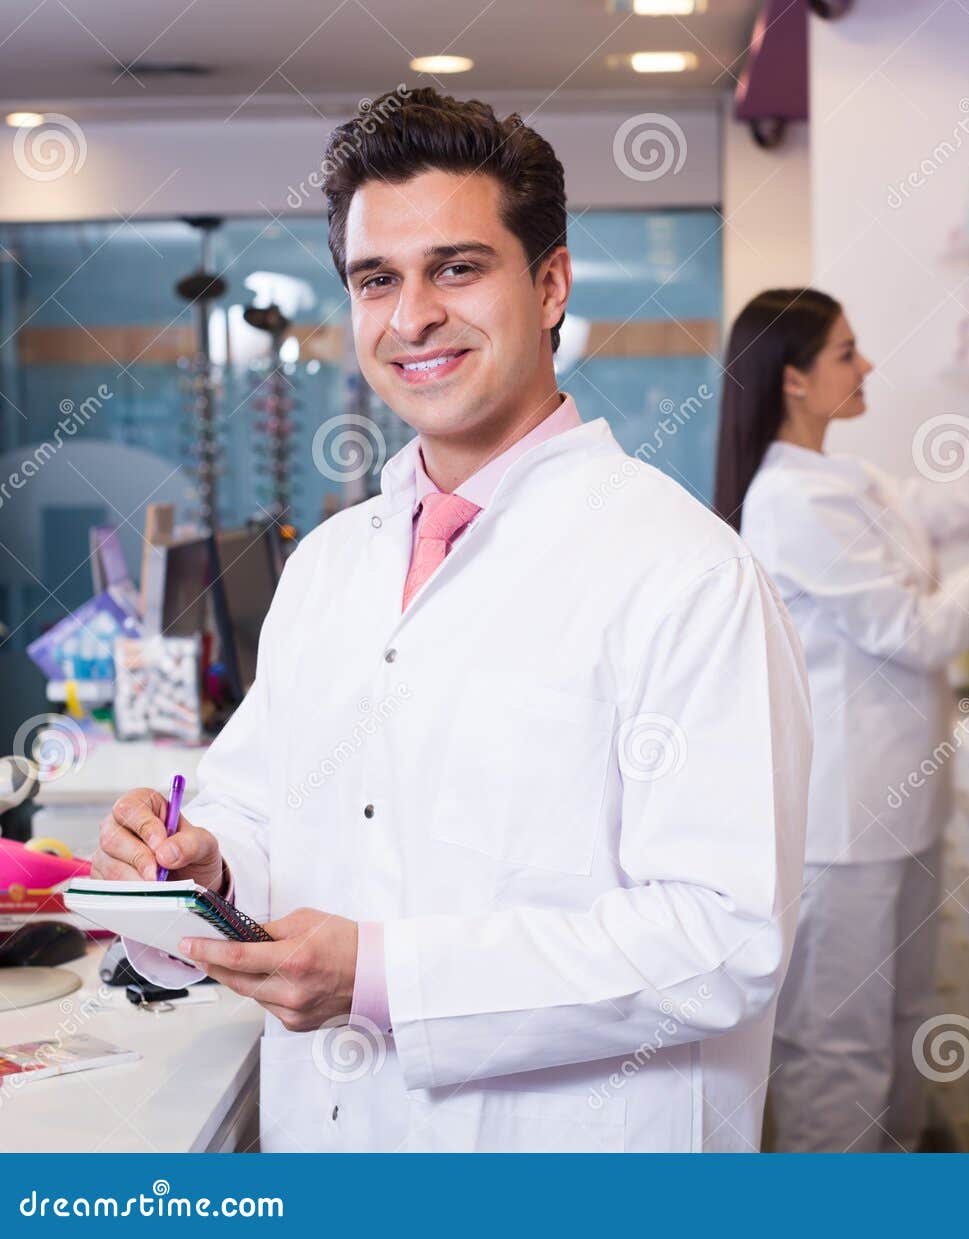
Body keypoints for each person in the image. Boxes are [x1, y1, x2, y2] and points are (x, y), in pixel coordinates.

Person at [91, 89, 812, 1154]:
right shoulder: (332, 564)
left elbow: (725, 936)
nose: (412, 316)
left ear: (551, 285)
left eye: (457, 268)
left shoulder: (687, 574)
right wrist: (205, 869)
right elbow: (258, 808)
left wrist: (383, 976)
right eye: (376, 279)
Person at [714, 288, 969, 1151]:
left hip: (902, 811)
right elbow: (919, 632)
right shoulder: (788, 502)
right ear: (794, 379)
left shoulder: (852, 481)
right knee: (840, 1051)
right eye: (847, 352)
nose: (866, 364)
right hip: (843, 830)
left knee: (907, 1024)